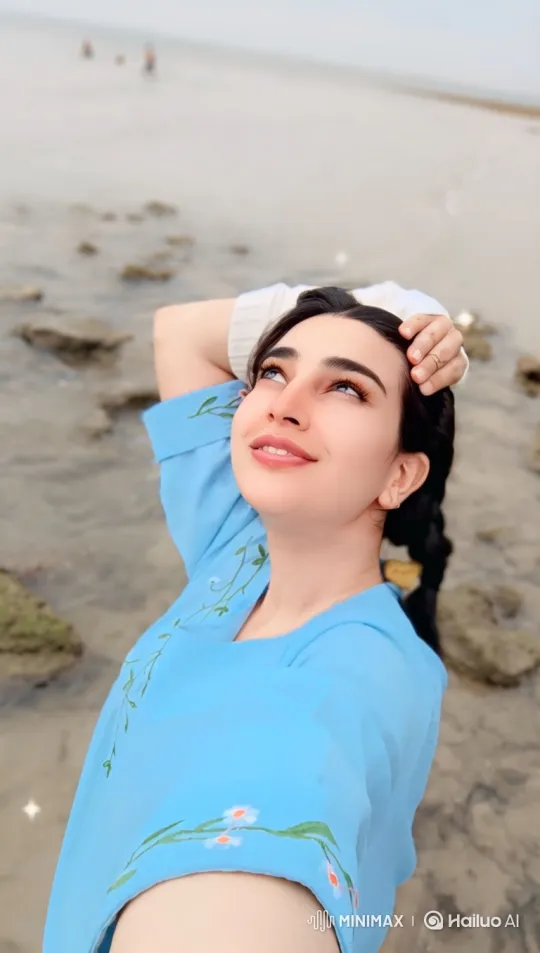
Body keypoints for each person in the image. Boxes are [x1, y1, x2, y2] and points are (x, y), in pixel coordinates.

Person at [44, 280, 467, 953]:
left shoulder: (360, 676)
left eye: (347, 389)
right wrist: (410, 308)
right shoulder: (240, 548)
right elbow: (180, 329)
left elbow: (274, 825)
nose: (286, 406)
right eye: (273, 372)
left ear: (400, 475)